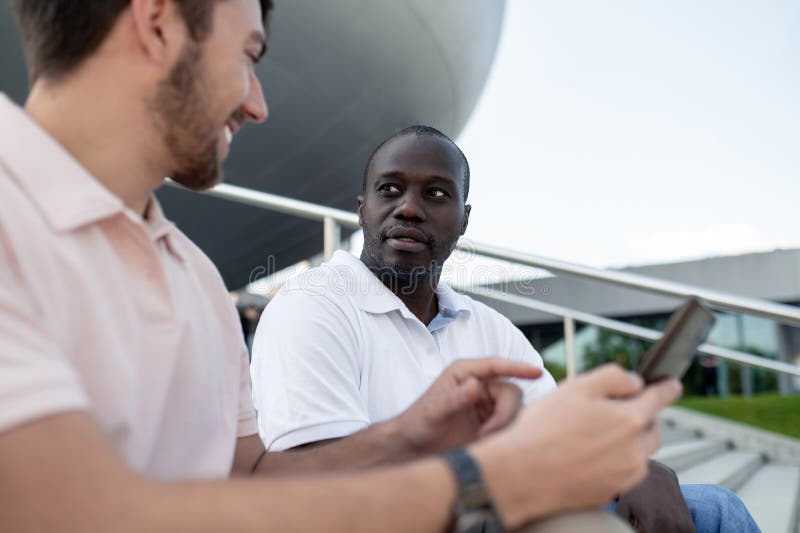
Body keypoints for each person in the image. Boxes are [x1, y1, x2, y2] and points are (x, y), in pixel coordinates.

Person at [0, 1, 681, 531]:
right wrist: (491, 476)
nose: (257, 104)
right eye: (248, 55)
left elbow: (255, 477)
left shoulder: (197, 279)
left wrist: (409, 433)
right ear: (157, 23)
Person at [250, 125, 760, 532]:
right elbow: (315, 491)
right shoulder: (313, 306)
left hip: (502, 513)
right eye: (389, 188)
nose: (409, 206)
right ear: (362, 208)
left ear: (464, 220)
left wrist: (635, 469)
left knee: (715, 510)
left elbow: (557, 439)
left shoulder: (488, 328)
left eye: (436, 193)